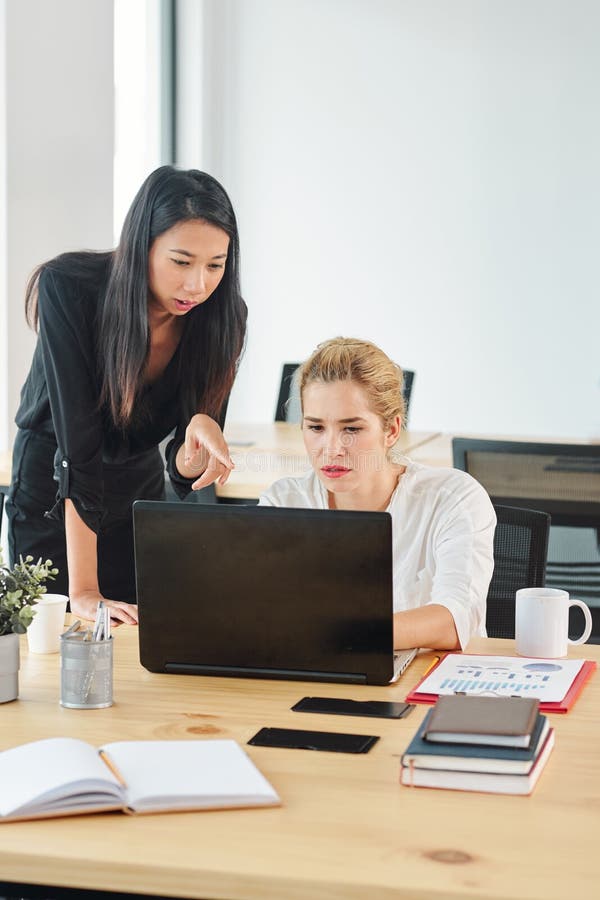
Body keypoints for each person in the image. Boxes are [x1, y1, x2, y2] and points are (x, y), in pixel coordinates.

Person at [7, 166, 247, 625]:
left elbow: (182, 469)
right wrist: (84, 590)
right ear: (142, 246)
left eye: (215, 265)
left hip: (136, 489)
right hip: (53, 491)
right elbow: (78, 452)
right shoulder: (69, 288)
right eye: (181, 262)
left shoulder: (223, 316)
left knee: (130, 637)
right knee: (55, 637)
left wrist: (197, 440)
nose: (198, 285)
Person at [259, 338, 495, 650]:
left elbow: (454, 620)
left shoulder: (453, 499)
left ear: (392, 430)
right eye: (316, 428)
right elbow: (260, 613)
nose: (331, 449)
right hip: (316, 669)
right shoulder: (282, 503)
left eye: (352, 429)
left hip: (430, 674)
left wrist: (340, 635)